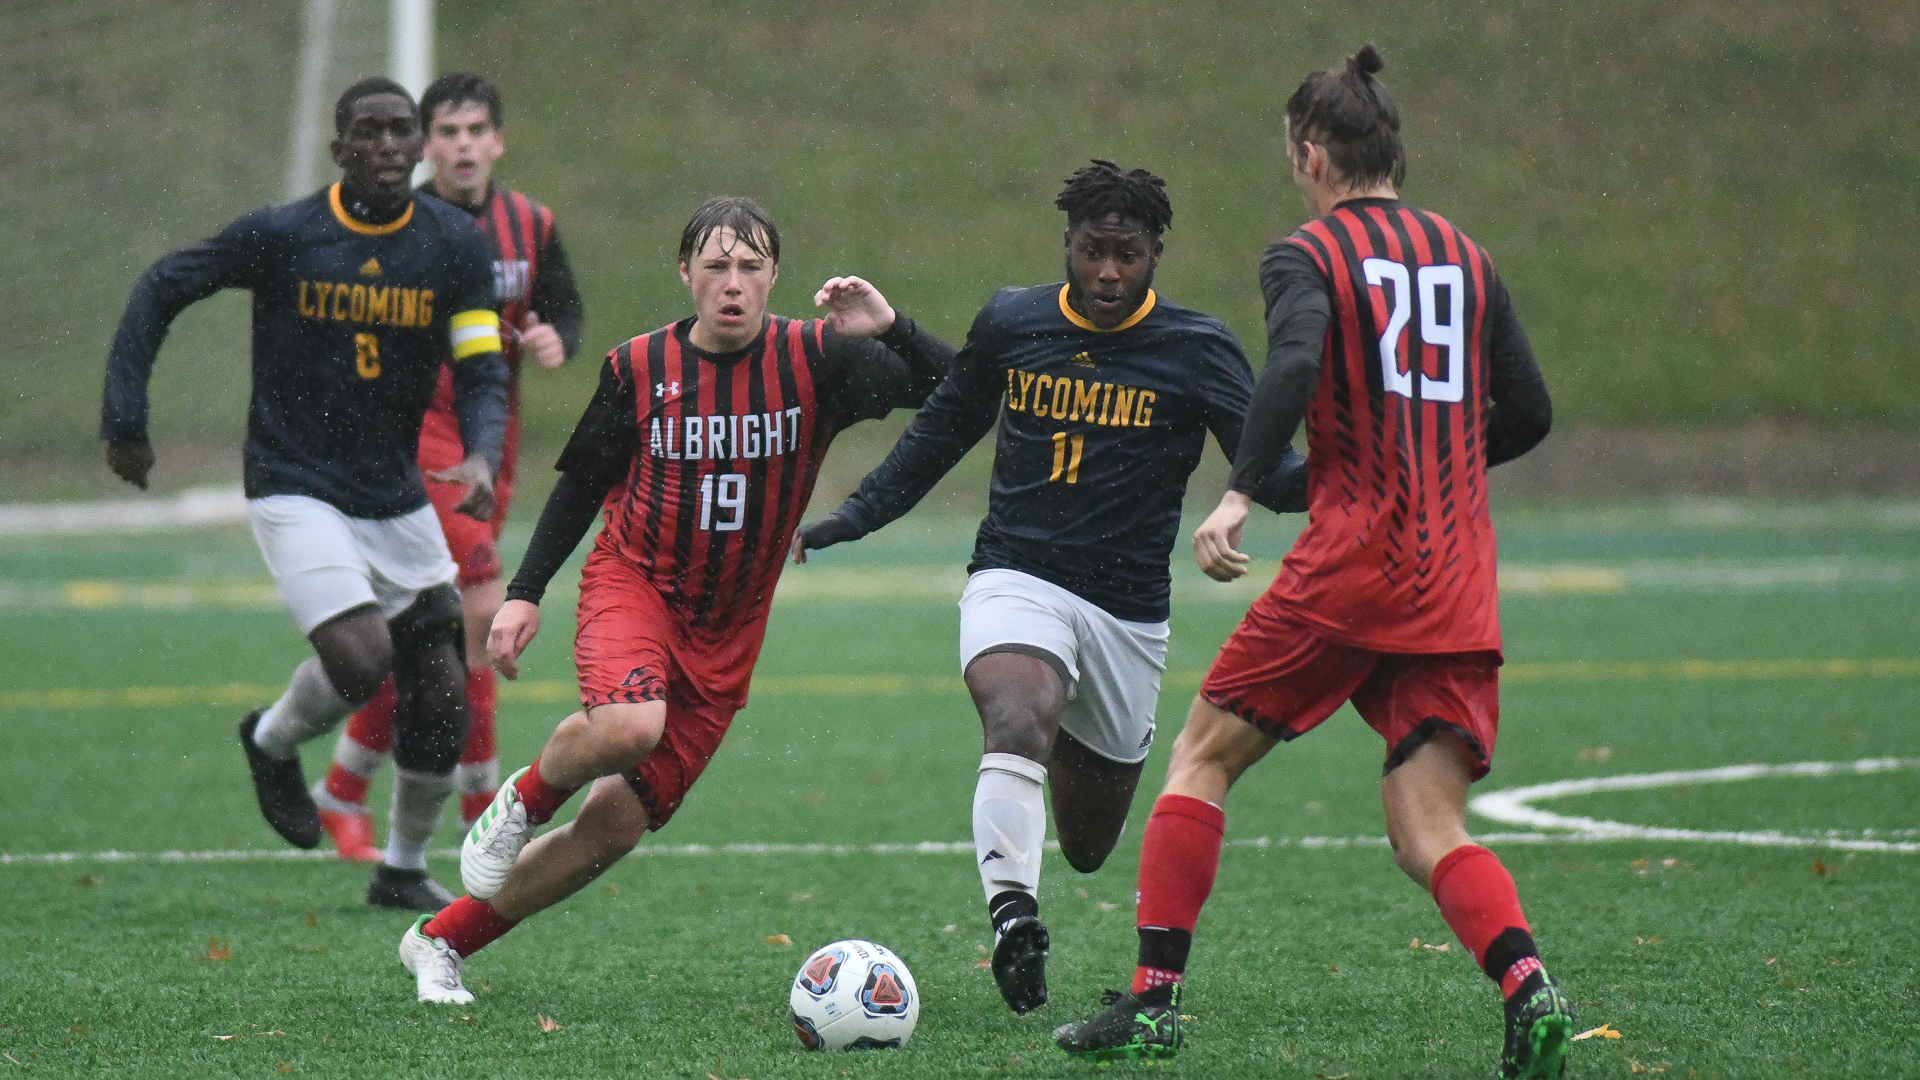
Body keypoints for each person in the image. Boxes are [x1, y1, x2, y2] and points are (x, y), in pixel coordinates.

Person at [1051, 46, 1569, 1078]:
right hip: (1456, 571)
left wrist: (1242, 487)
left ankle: (1154, 1003)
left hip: (1355, 561)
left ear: (1313, 151)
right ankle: (1529, 985)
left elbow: (1293, 360)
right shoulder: (1468, 256)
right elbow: (1534, 411)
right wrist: (1444, 461)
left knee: (1201, 757)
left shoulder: (1309, 253)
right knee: (1427, 825)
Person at [398, 197, 954, 1003]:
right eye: (717, 265)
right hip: (636, 584)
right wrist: (523, 594)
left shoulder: (820, 358)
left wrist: (892, 324)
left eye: (751, 266)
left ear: (774, 278)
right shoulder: (637, 366)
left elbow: (963, 389)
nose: (733, 283)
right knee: (628, 725)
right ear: (685, 273)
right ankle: (522, 798)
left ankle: (440, 942)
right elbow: (584, 481)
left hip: (729, 628)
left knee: (614, 827)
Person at [791, 161, 1306, 1016]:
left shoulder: (1196, 346)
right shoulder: (1015, 321)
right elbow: (943, 429)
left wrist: (1362, 476)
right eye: (1093, 251)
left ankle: (1048, 796)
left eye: (1128, 255)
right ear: (1066, 246)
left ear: (1156, 255)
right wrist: (850, 516)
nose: (1109, 272)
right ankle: (1013, 919)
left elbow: (1272, 470)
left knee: (1091, 843)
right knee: (1016, 711)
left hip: (1127, 614)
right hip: (1017, 575)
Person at [101, 78, 511, 911]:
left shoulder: (455, 244)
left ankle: (401, 869)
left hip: (394, 494)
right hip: (295, 483)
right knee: (366, 664)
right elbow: (162, 285)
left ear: (422, 145)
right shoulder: (286, 234)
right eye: (371, 133)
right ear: (341, 150)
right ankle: (272, 736)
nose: (391, 146)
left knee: (440, 693)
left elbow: (481, 366)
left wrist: (482, 450)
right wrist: (125, 419)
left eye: (404, 131)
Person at [312, 72, 586, 867]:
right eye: (448, 132)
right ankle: (486, 816)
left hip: (492, 440)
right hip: (419, 438)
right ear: (426, 144)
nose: (463, 145)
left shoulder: (530, 222)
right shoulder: (402, 223)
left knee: (427, 633)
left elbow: (561, 307)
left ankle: (343, 784)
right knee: (477, 619)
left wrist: (553, 340)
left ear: (497, 140)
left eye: (476, 131)